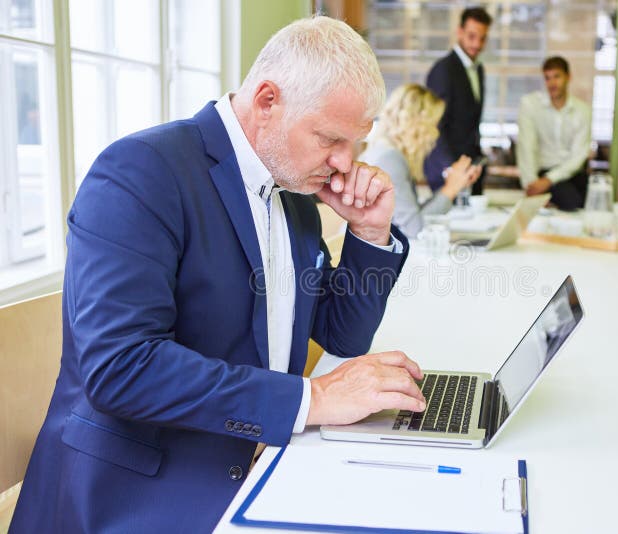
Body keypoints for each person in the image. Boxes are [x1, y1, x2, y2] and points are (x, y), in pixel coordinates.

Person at [10, 17, 428, 533]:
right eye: (330, 138)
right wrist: (314, 398)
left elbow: (342, 335)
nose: (345, 164)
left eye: (355, 143)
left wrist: (369, 232)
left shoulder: (293, 192)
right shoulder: (140, 171)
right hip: (133, 500)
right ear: (268, 101)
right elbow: (121, 367)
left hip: (254, 469)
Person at [360, 83, 481, 237]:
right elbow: (415, 228)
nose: (436, 133)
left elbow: (414, 214)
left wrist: (454, 186)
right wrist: (450, 189)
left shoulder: (385, 151)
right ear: (416, 123)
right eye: (433, 124)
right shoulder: (390, 159)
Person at [424, 6, 492, 195]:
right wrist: (451, 168)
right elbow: (434, 125)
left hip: (471, 168)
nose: (477, 44)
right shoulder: (443, 70)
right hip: (448, 170)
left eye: (482, 38)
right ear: (459, 32)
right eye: (472, 36)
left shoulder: (479, 69)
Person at [517, 56, 591, 211]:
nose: (552, 83)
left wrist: (549, 180)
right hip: (543, 172)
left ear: (568, 77)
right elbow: (526, 147)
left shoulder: (583, 111)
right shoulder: (530, 105)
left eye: (557, 76)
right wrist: (531, 185)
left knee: (592, 201)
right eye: (547, 78)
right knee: (570, 201)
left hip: (572, 173)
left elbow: (578, 156)